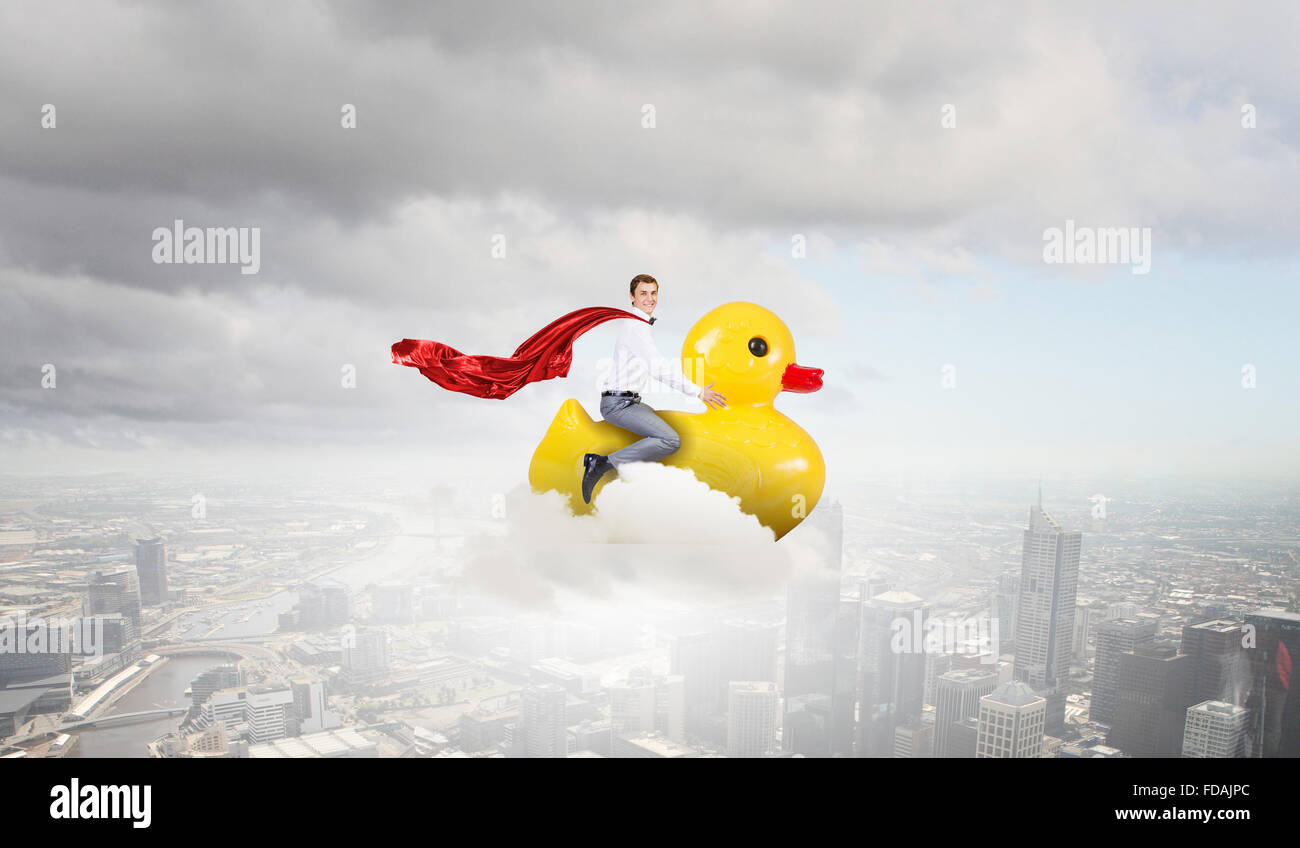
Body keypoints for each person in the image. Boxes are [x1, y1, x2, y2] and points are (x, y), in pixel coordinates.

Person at [581, 274, 727, 502]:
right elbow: (658, 369)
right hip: (617, 404)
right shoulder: (636, 327)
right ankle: (601, 463)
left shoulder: (638, 325)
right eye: (643, 293)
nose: (649, 299)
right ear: (632, 297)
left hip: (630, 401)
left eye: (653, 293)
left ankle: (637, 481)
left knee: (662, 424)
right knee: (670, 440)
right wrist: (698, 391)